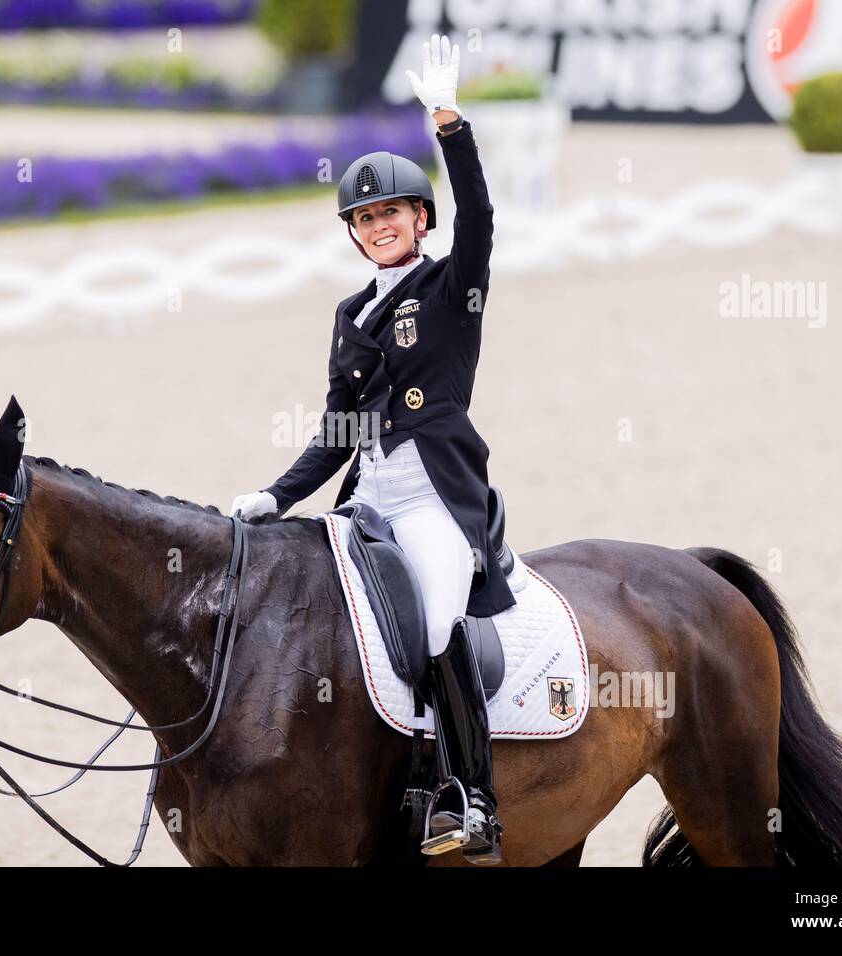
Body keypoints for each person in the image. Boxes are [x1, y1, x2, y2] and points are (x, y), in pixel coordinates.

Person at [229, 34, 513, 864]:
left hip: (436, 500)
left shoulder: (453, 288)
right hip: (367, 501)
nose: (377, 225)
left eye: (390, 212)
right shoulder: (350, 314)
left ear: (419, 219)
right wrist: (278, 496)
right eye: (363, 218)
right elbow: (338, 427)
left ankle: (472, 797)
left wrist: (449, 125)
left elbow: (484, 218)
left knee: (432, 624)